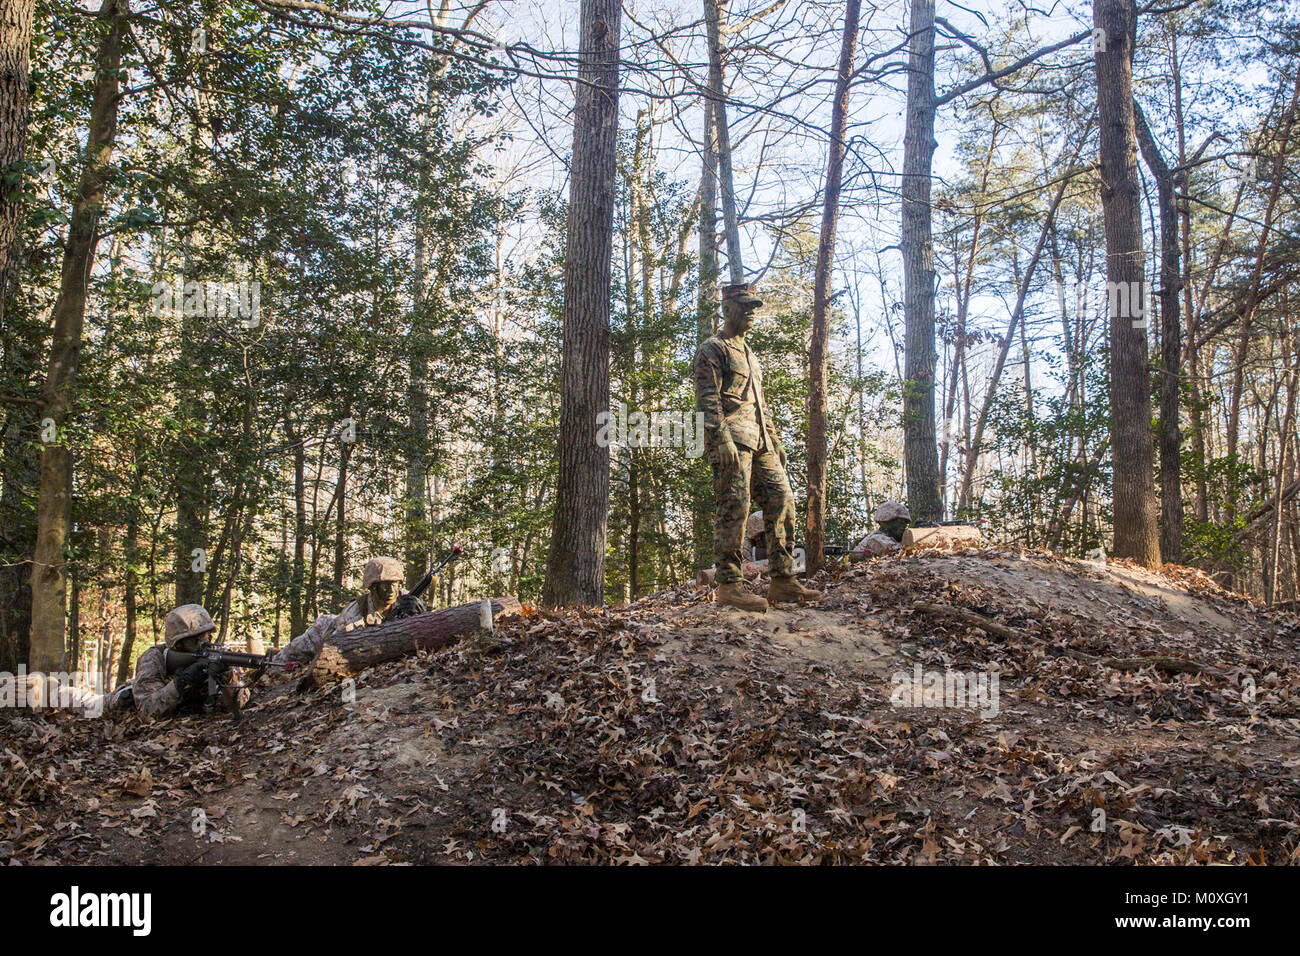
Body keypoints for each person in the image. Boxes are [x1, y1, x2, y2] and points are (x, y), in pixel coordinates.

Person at [694, 283, 822, 611]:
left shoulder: (750, 354)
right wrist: (720, 439)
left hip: (761, 441)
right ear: (727, 308)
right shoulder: (713, 349)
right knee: (734, 508)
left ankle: (783, 580)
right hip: (732, 441)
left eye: (753, 307)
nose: (750, 312)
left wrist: (775, 440)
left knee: (783, 500)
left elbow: (760, 404)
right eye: (744, 306)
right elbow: (708, 401)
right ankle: (729, 585)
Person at [274, 556, 426, 667]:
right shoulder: (354, 614)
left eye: (395, 584)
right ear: (373, 587)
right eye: (385, 585)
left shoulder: (407, 600)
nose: (391, 590)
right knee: (289, 656)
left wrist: (420, 614)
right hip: (326, 630)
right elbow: (341, 647)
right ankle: (270, 663)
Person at [130, 604, 249, 719]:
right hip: (133, 708)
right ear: (177, 643)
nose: (201, 644)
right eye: (194, 640)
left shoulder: (216, 654)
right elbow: (147, 710)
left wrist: (227, 678)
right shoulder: (154, 658)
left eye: (205, 637)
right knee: (124, 699)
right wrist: (181, 682)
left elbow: (239, 704)